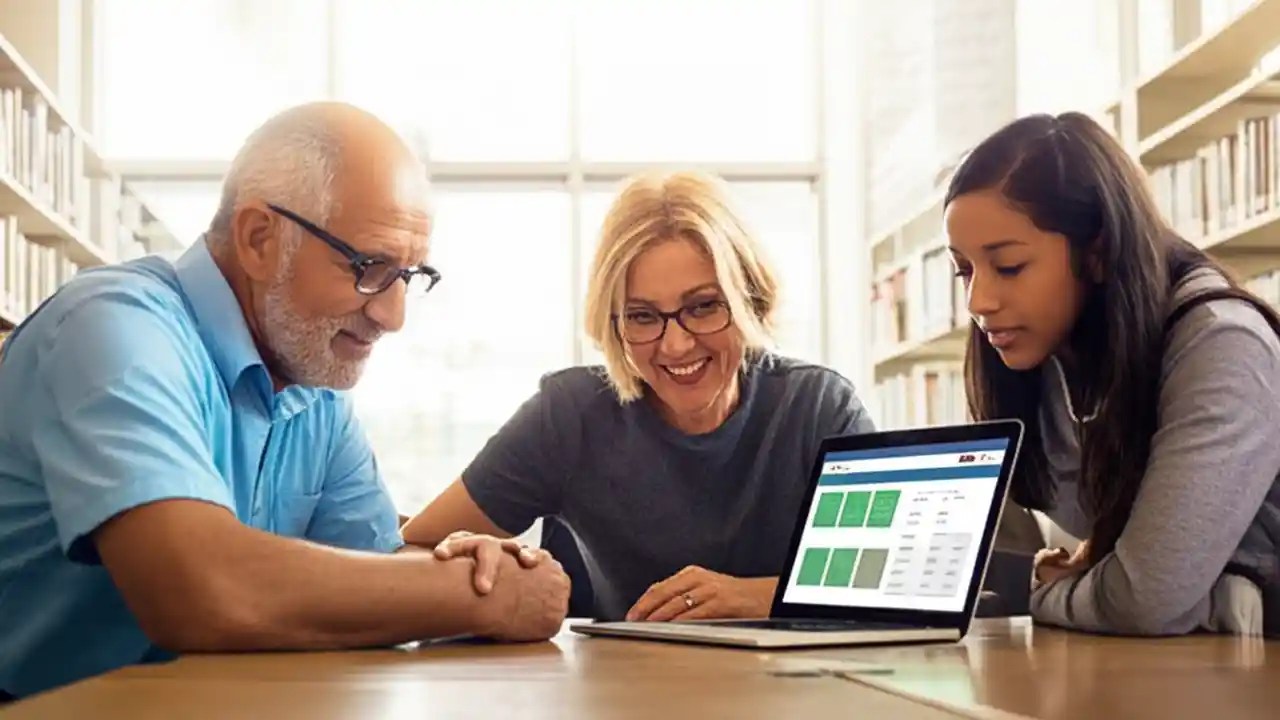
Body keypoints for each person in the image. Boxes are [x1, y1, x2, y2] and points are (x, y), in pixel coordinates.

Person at [0, 102, 569, 700]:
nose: (393, 315)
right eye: (370, 267)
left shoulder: (313, 385)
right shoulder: (112, 329)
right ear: (258, 238)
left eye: (408, 276)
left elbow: (375, 575)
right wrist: (476, 595)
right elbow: (201, 590)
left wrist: (464, 567)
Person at [401, 170, 875, 622]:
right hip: (623, 694)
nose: (675, 345)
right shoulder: (570, 414)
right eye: (643, 317)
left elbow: (891, 581)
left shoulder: (817, 407)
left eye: (704, 306)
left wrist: (757, 597)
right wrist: (476, 565)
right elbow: (411, 550)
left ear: (750, 297)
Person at [945, 111, 1280, 636]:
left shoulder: (1222, 342)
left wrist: (1038, 590)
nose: (978, 301)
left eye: (1008, 266)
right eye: (963, 269)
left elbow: (1143, 601)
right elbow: (1131, 590)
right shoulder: (1044, 357)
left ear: (1098, 251)